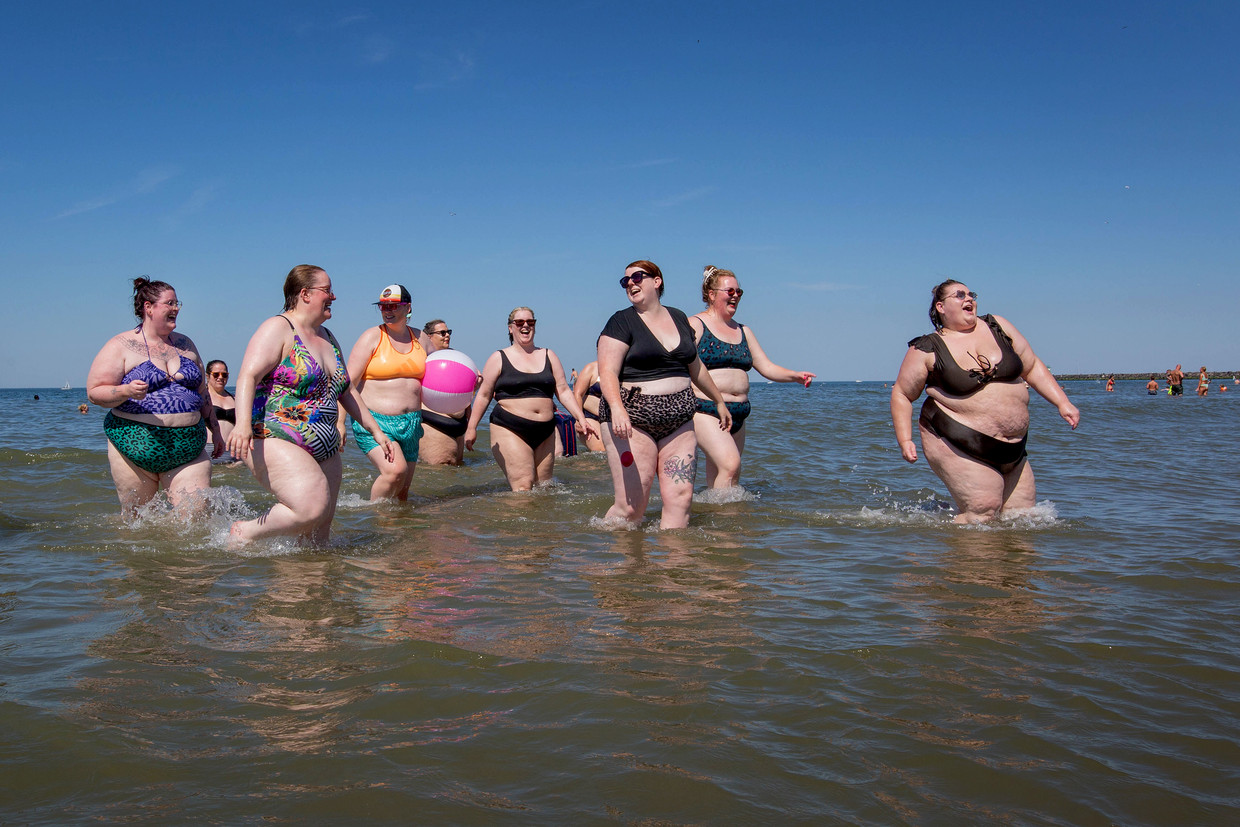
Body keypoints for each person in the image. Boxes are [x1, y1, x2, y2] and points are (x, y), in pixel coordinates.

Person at [226, 265, 393, 546]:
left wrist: (376, 430)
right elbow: (248, 376)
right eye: (327, 290)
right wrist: (241, 425)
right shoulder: (278, 328)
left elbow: (346, 389)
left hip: (325, 445)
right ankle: (245, 531)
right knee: (309, 508)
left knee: (318, 541)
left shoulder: (328, 336)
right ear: (305, 294)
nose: (334, 297)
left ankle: (304, 586)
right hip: (274, 436)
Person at [890, 280, 1080, 523]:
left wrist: (1062, 403)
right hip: (955, 439)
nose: (969, 299)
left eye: (971, 294)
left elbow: (1031, 366)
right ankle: (961, 560)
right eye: (959, 295)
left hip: (1013, 446)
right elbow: (902, 394)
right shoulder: (927, 347)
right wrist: (905, 440)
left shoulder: (998, 326)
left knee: (1023, 517)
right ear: (941, 306)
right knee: (982, 510)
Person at [596, 260, 731, 528]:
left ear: (657, 281)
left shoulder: (679, 318)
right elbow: (608, 371)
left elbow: (695, 366)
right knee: (632, 506)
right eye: (625, 281)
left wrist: (718, 401)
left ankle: (673, 567)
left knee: (681, 499)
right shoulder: (621, 321)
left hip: (679, 422)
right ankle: (620, 563)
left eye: (637, 277)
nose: (630, 284)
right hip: (633, 422)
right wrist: (618, 408)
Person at [86, 278, 222, 514]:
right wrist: (125, 391)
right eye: (169, 303)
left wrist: (216, 431)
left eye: (177, 303)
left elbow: (202, 391)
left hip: (187, 447)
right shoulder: (122, 344)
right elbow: (95, 392)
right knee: (137, 524)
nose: (176, 308)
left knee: (195, 518)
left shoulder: (185, 344)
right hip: (134, 445)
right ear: (149, 307)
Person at [688, 265, 816, 489]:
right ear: (711, 294)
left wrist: (794, 375)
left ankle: (715, 520)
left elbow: (765, 366)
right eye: (730, 291)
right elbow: (680, 361)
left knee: (727, 474)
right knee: (730, 465)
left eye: (739, 292)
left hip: (739, 414)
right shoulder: (696, 325)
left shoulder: (743, 330)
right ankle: (726, 518)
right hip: (706, 409)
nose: (735, 296)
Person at [464, 307, 596, 490]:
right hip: (510, 426)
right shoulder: (499, 358)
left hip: (545, 430)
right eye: (519, 322)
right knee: (523, 487)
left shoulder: (549, 355)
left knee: (544, 488)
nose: (525, 326)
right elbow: (484, 395)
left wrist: (581, 418)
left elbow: (564, 391)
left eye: (530, 322)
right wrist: (472, 428)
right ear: (510, 328)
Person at [341, 286, 436, 500]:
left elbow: (444, 370)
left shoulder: (421, 338)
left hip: (411, 423)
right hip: (375, 420)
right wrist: (340, 422)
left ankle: (396, 531)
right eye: (383, 306)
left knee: (402, 492)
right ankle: (375, 517)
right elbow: (346, 383)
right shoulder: (372, 337)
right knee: (395, 472)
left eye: (393, 305)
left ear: (408, 307)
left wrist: (471, 378)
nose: (387, 310)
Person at [419, 319, 472, 466]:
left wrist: (470, 422)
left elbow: (465, 392)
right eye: (442, 333)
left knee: (457, 466)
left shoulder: (456, 358)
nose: (447, 335)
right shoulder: (421, 359)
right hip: (433, 422)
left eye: (448, 332)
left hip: (459, 423)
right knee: (439, 469)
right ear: (429, 336)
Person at [571, 360, 606, 452]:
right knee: (600, 450)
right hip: (589, 418)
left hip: (612, 420)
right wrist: (579, 420)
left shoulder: (623, 368)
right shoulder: (591, 368)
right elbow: (577, 394)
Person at [205, 360, 236, 455]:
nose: (220, 377)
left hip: (232, 450)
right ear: (207, 376)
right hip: (208, 448)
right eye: (216, 374)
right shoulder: (202, 397)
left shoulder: (234, 399)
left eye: (224, 375)